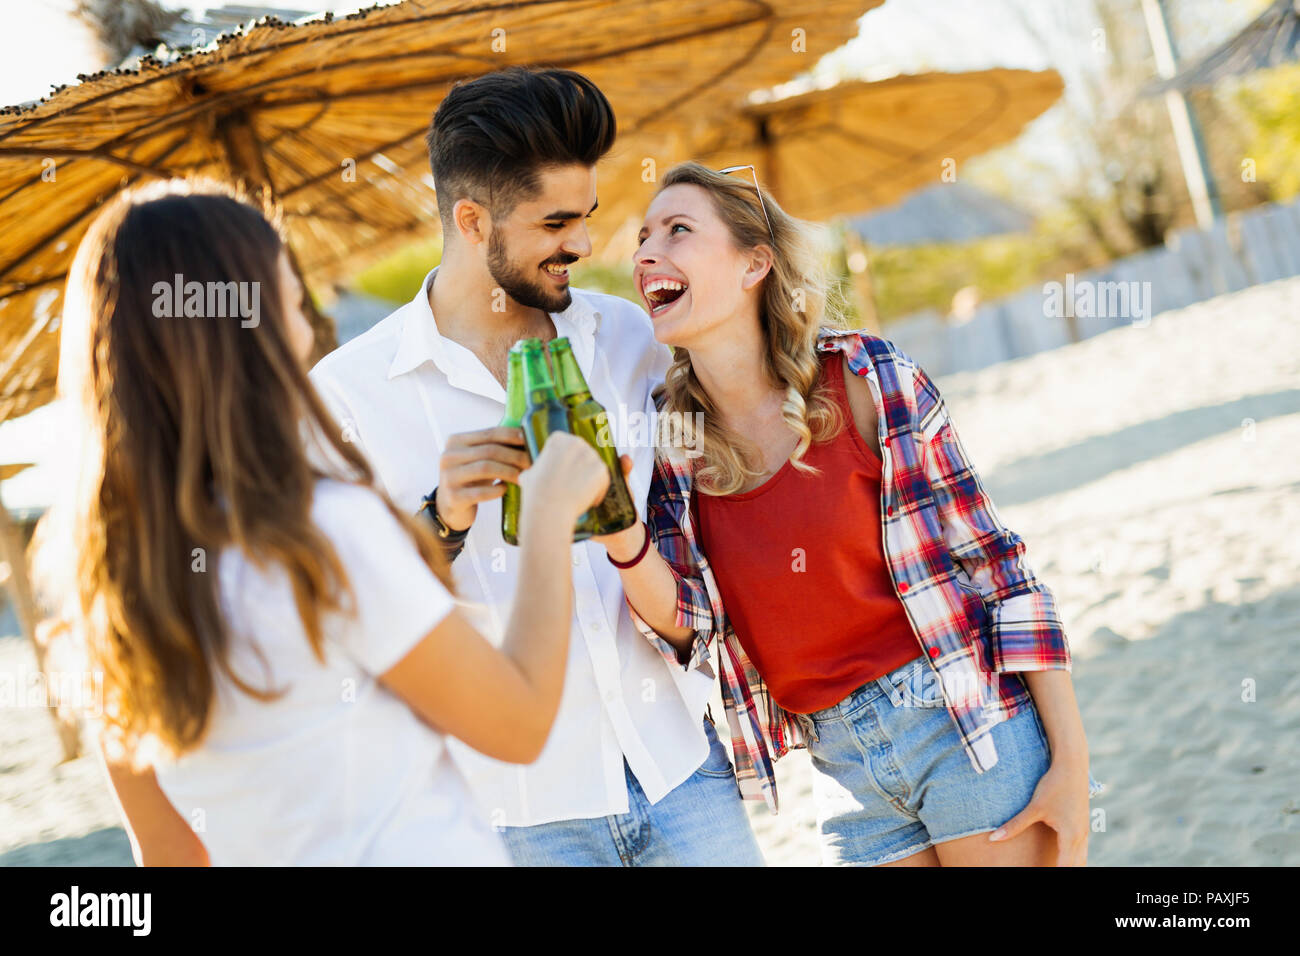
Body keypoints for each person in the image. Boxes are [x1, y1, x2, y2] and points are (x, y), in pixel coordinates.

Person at [33, 177, 612, 866]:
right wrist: (547, 515)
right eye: (289, 289)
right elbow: (516, 726)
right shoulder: (322, 533)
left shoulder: (109, 588)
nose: (305, 320)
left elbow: (168, 855)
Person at [309, 67, 766, 866]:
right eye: (557, 222)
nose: (585, 246)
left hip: (680, 770)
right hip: (517, 818)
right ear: (472, 218)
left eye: (586, 217)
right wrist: (439, 520)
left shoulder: (629, 337)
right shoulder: (346, 399)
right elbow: (336, 615)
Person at [602, 160, 1105, 867]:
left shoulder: (866, 376)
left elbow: (997, 567)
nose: (646, 253)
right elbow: (689, 622)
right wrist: (617, 530)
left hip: (963, 726)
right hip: (838, 773)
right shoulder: (673, 441)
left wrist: (1073, 765)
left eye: (678, 230)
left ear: (755, 264)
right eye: (643, 238)